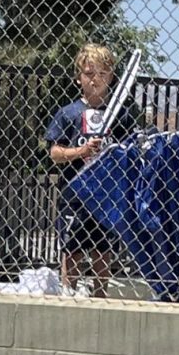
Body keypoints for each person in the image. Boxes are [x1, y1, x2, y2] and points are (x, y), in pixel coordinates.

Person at [45, 43, 139, 298]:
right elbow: (54, 153)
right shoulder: (68, 113)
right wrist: (81, 152)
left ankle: (100, 298)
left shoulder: (122, 116)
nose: (95, 79)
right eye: (89, 73)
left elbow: (131, 153)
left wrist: (113, 155)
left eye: (102, 73)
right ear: (78, 78)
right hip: (75, 194)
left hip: (107, 195)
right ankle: (68, 294)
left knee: (102, 249)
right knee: (72, 247)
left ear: (111, 78)